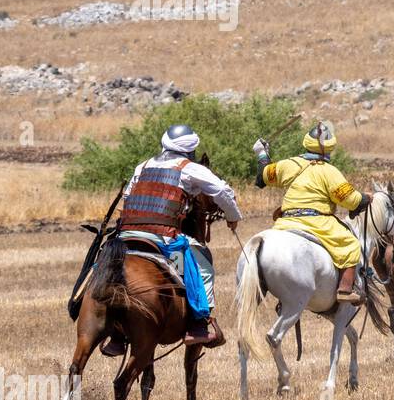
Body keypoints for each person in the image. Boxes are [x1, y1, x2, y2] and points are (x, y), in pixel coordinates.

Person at [109, 124, 242, 354]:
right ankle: (201, 323)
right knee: (202, 268)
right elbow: (222, 191)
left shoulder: (143, 166)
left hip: (127, 237)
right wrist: (233, 217)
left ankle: (113, 331)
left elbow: (129, 195)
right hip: (164, 242)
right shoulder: (190, 168)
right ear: (190, 150)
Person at [254, 121, 368, 304]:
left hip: (287, 222)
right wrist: (366, 198)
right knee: (351, 245)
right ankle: (345, 290)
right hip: (318, 222)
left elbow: (263, 175)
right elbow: (351, 201)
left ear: (307, 142)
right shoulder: (330, 172)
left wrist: (261, 153)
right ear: (330, 147)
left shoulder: (289, 165)